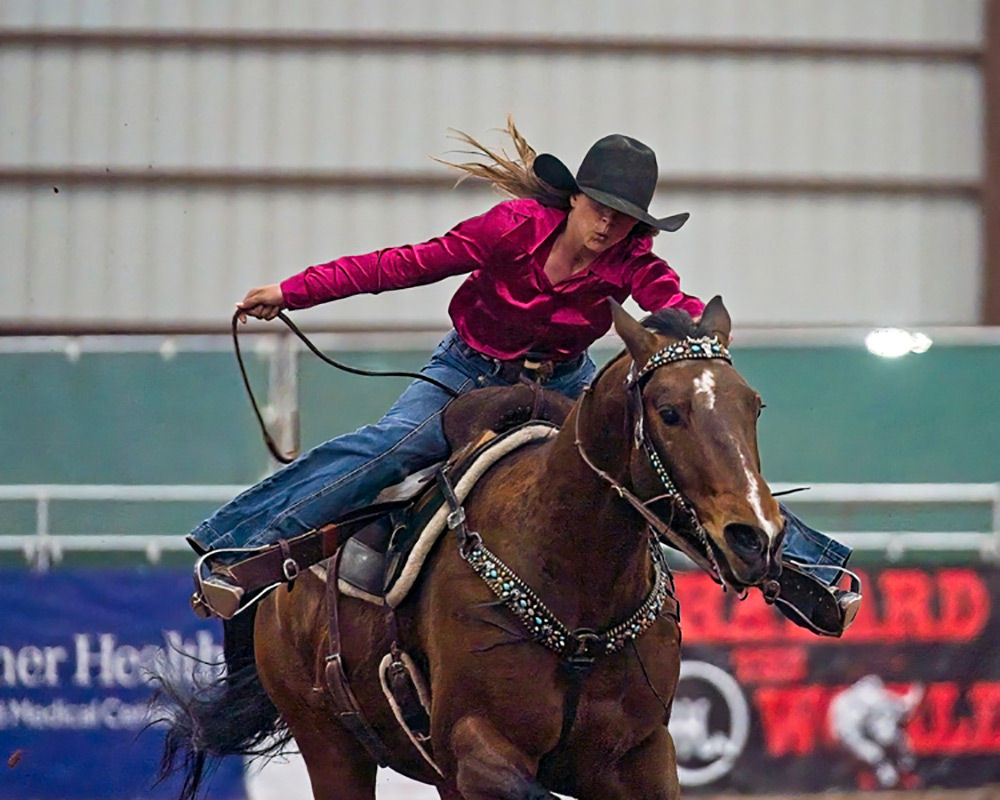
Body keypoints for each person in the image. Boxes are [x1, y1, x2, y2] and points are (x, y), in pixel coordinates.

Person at [188, 120, 861, 635]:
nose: (609, 225)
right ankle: (238, 544)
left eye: (624, 216)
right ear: (573, 199)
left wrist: (699, 335)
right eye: (600, 207)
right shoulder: (508, 228)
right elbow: (402, 265)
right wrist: (294, 292)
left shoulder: (634, 259)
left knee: (668, 463)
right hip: (469, 372)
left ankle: (811, 572)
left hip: (565, 383)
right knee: (390, 448)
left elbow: (670, 300)